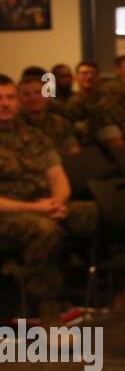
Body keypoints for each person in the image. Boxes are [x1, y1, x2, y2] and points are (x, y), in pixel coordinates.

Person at [0, 75, 97, 317]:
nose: (5, 104)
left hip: (43, 204)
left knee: (97, 212)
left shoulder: (33, 135)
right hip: (8, 212)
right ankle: (47, 310)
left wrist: (58, 201)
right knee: (44, 230)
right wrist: (38, 209)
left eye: (10, 97)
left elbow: (57, 176)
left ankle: (121, 292)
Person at [17, 71, 78, 154]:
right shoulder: (14, 126)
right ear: (18, 98)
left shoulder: (61, 123)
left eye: (38, 92)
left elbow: (73, 151)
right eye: (26, 94)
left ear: (48, 96)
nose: (33, 98)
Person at [65, 61, 102, 145]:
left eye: (93, 73)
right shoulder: (74, 103)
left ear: (99, 77)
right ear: (76, 78)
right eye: (84, 73)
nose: (89, 76)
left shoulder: (106, 99)